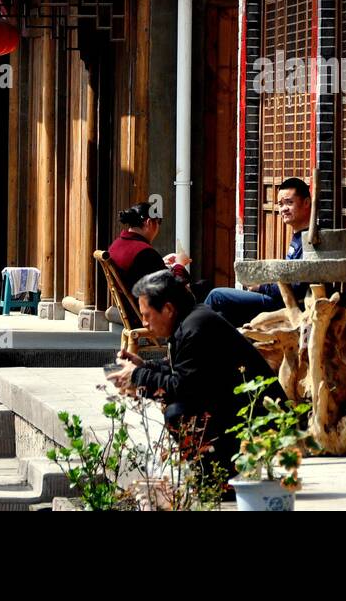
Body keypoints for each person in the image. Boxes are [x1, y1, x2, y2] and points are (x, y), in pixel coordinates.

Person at [107, 270, 280, 478]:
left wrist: (137, 376)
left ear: (168, 309)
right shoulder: (191, 320)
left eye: (146, 315)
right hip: (236, 411)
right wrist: (144, 366)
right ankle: (213, 476)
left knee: (179, 412)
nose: (144, 323)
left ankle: (219, 478)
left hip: (256, 421)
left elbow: (182, 388)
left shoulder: (196, 328)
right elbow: (186, 370)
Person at [203, 178, 311, 327]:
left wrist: (261, 287)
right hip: (278, 297)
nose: (283, 209)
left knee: (217, 297)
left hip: (287, 305)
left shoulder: (310, 239)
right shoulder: (299, 236)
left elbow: (297, 287)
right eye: (280, 204)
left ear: (306, 203)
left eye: (289, 203)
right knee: (224, 315)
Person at [106, 202, 192, 292]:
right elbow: (174, 287)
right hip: (150, 303)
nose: (158, 226)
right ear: (149, 222)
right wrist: (180, 264)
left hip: (133, 300)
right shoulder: (144, 252)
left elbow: (140, 269)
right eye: (158, 221)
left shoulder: (116, 244)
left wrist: (161, 262)